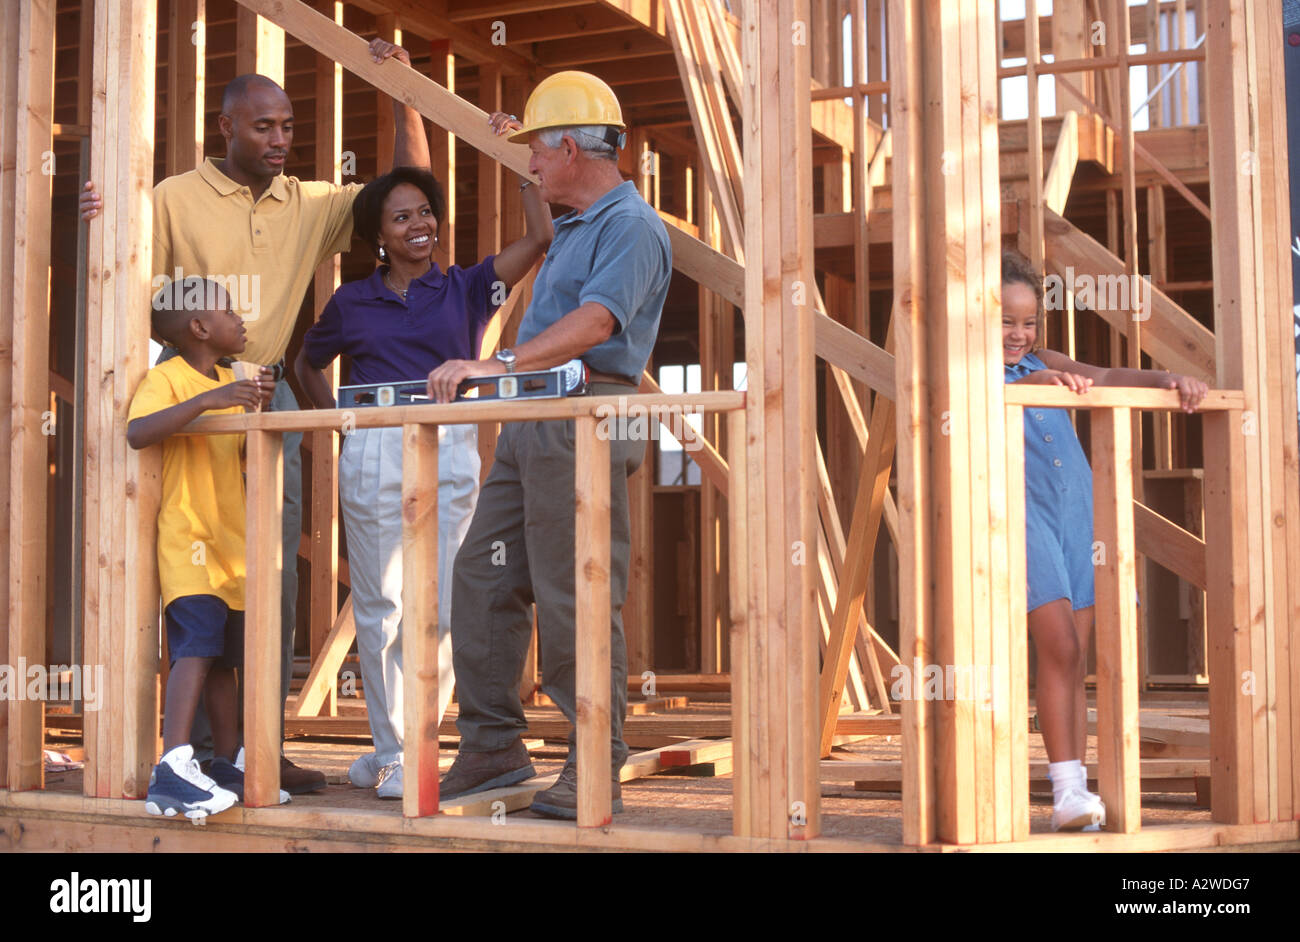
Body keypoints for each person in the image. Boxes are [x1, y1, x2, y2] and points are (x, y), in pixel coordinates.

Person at [80, 39, 427, 793]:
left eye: (288, 127)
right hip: (194, 398)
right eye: (264, 127)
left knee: (269, 577)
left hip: (271, 399)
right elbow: (131, 281)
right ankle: (195, 751)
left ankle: (254, 748)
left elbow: (405, 187)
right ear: (226, 127)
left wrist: (401, 92)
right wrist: (97, 213)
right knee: (195, 576)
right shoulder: (169, 198)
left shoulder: (308, 202)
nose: (279, 140)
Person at [427, 72, 671, 819]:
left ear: (570, 148)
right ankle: (494, 745)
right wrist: (515, 138)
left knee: (577, 591)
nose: (529, 165)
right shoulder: (575, 224)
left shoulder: (631, 227)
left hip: (586, 419)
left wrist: (494, 364)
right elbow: (547, 194)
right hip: (537, 418)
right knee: (482, 576)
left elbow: (598, 324)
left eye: (538, 151)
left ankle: (597, 756)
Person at [294, 157, 553, 799]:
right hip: (374, 446)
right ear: (378, 235)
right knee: (382, 604)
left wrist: (525, 165)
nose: (419, 224)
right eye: (402, 216)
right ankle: (390, 754)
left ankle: (418, 745)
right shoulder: (352, 301)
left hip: (449, 443)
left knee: (441, 602)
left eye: (426, 212)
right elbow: (306, 362)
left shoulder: (467, 287)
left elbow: (542, 238)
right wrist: (339, 425)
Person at [1001, 250, 1208, 831]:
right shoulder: (971, 370)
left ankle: (1075, 793)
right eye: (1005, 321)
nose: (1019, 334)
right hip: (1022, 516)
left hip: (1076, 515)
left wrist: (1168, 378)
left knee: (1078, 656)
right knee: (1060, 646)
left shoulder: (1041, 358)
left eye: (1028, 322)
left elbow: (1107, 378)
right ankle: (1064, 788)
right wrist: (1038, 383)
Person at [129, 277, 274, 818]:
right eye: (229, 311)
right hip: (188, 540)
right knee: (195, 648)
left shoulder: (232, 380)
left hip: (232, 546)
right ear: (198, 327)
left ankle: (227, 767)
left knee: (226, 660)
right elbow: (138, 431)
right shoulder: (167, 377)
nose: (241, 320)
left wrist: (253, 410)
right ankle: (173, 765)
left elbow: (236, 452)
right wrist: (211, 398)